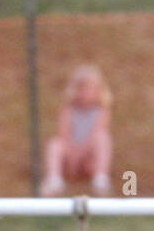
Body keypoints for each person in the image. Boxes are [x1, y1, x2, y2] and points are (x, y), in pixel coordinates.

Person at [40, 64, 112, 197]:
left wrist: (81, 153)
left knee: (103, 138)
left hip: (89, 157)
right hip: (70, 154)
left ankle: (100, 179)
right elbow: (63, 132)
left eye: (91, 89)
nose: (86, 93)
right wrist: (72, 152)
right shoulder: (68, 109)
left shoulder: (101, 110)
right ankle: (54, 180)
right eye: (83, 89)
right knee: (54, 144)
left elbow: (95, 133)